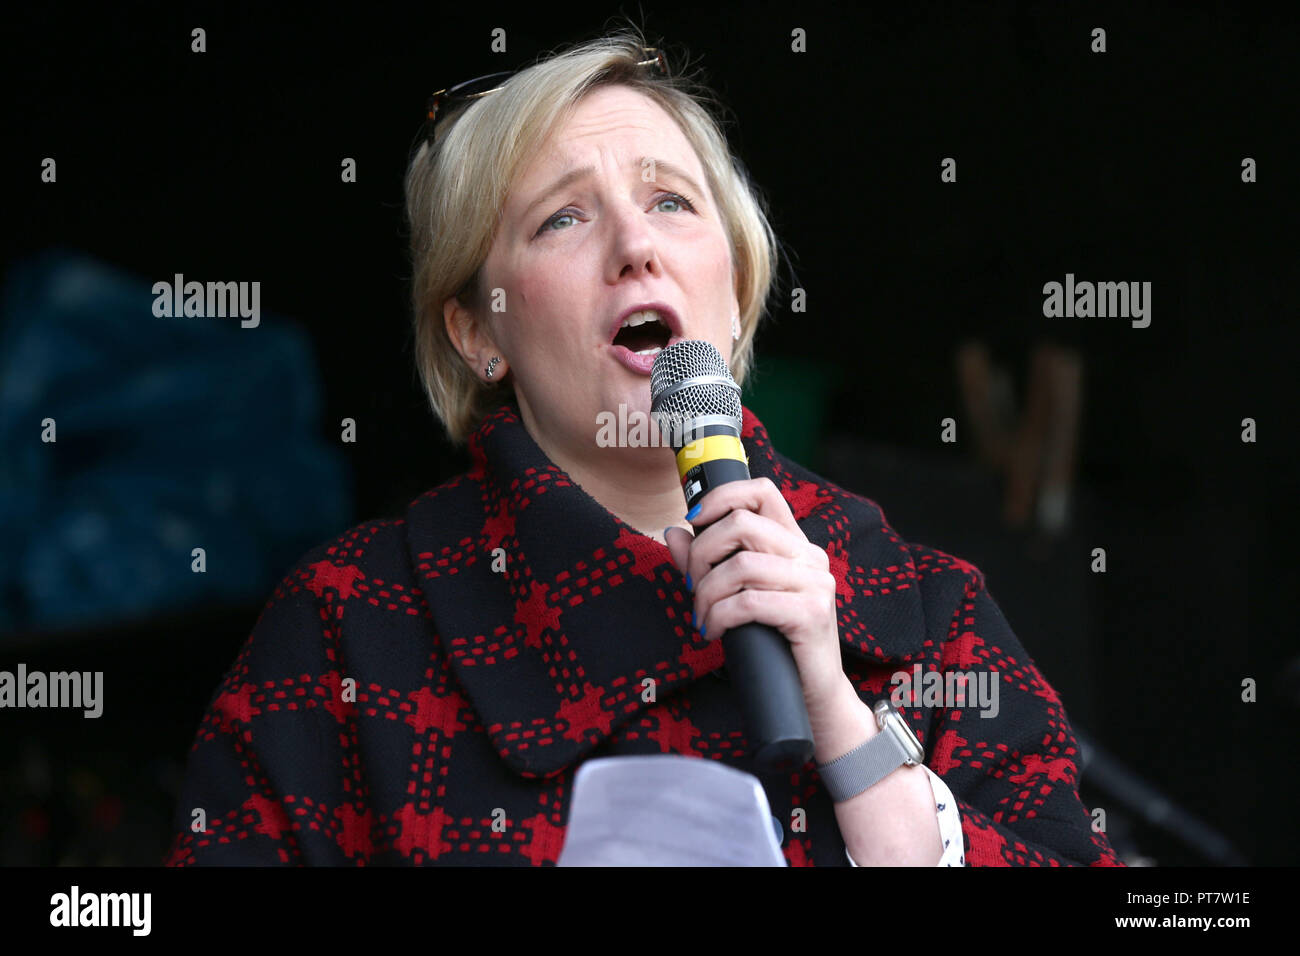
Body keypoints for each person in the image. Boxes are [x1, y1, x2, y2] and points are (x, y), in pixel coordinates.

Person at [163, 28, 1120, 867]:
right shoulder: (352, 627)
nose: (635, 245)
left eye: (671, 202)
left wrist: (849, 732)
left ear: (735, 281)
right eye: (563, 217)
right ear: (477, 331)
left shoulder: (923, 605)